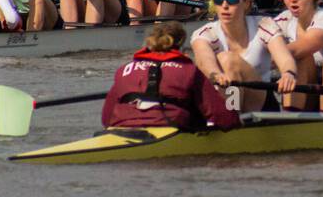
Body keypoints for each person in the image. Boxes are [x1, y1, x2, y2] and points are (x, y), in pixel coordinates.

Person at [191, 0, 299, 112]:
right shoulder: (205, 33)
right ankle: (232, 115)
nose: (224, 6)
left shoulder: (264, 25)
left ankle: (232, 118)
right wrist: (215, 74)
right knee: (225, 62)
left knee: (227, 59)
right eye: (218, 0)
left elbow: (284, 57)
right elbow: (204, 59)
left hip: (261, 103)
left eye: (232, 0)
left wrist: (288, 73)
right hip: (223, 99)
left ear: (247, 4)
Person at [102, 20, 242, 130]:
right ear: (180, 45)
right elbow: (224, 118)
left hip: (121, 128)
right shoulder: (189, 70)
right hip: (169, 127)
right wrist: (236, 119)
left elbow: (106, 118)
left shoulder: (124, 70)